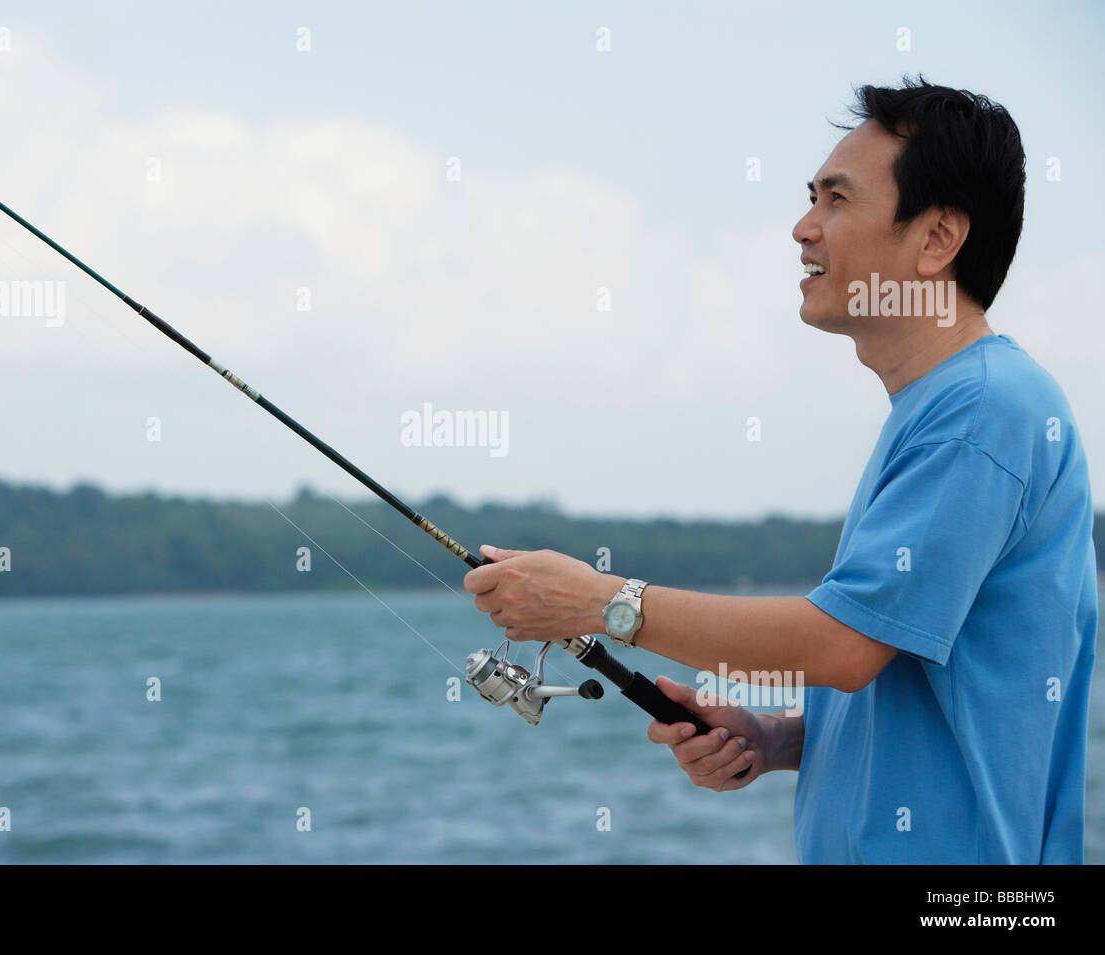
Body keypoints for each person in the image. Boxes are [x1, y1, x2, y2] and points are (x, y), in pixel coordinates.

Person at [463, 77, 1096, 864]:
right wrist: (778, 738)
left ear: (937, 239)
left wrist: (600, 603)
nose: (803, 228)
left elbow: (842, 646)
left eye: (836, 200)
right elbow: (915, 680)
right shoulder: (949, 408)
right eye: (811, 198)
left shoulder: (984, 410)